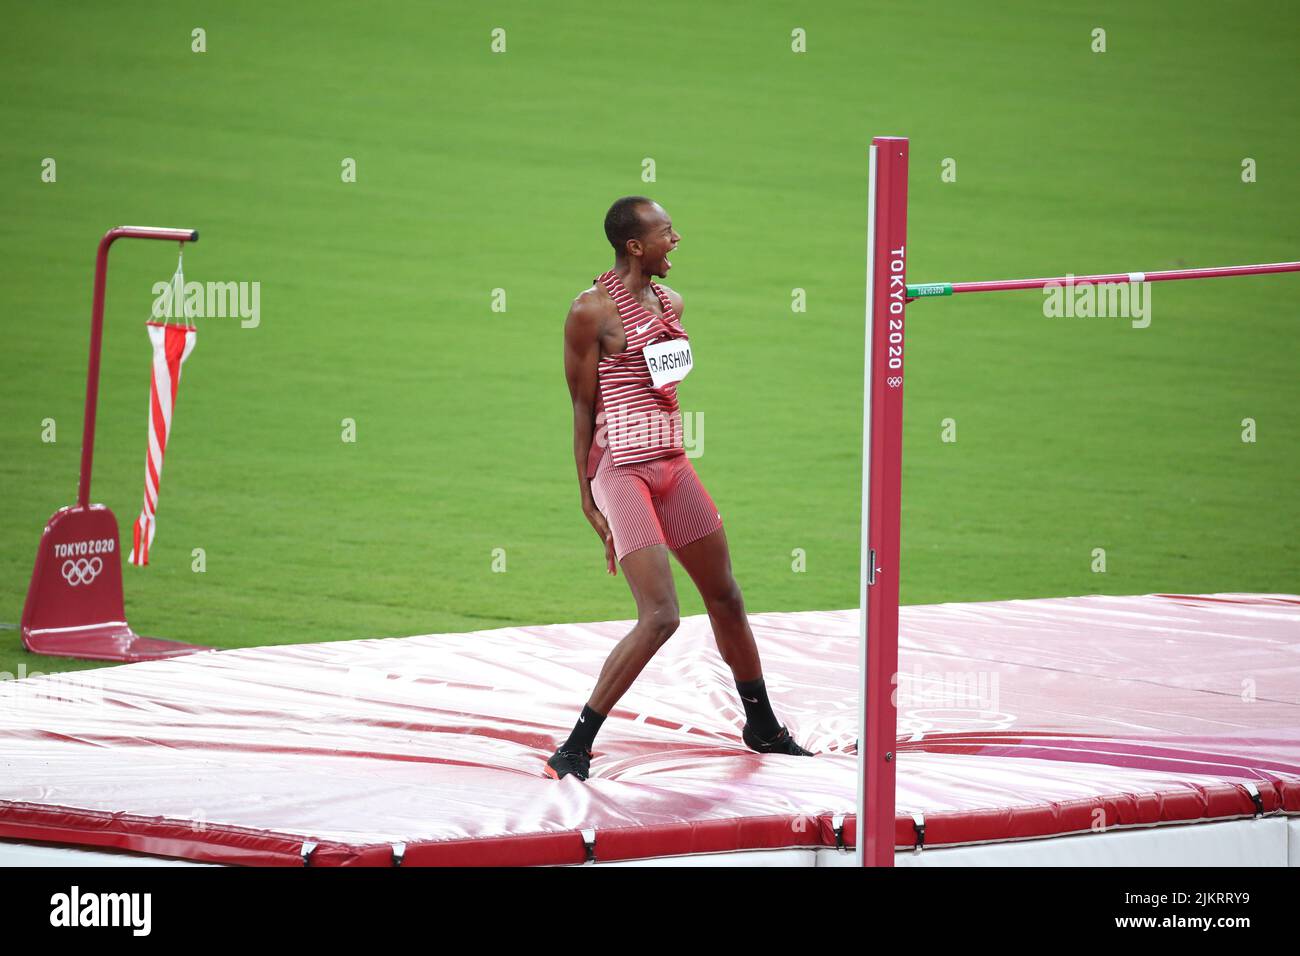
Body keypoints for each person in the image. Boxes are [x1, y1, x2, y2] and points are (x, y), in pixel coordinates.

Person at [547, 196, 813, 780]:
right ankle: (574, 746)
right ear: (635, 246)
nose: (678, 240)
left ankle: (762, 726)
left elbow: (665, 381)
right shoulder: (590, 312)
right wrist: (585, 492)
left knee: (727, 597)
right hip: (623, 470)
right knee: (662, 615)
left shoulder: (672, 302)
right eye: (667, 233)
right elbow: (581, 403)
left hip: (673, 463)